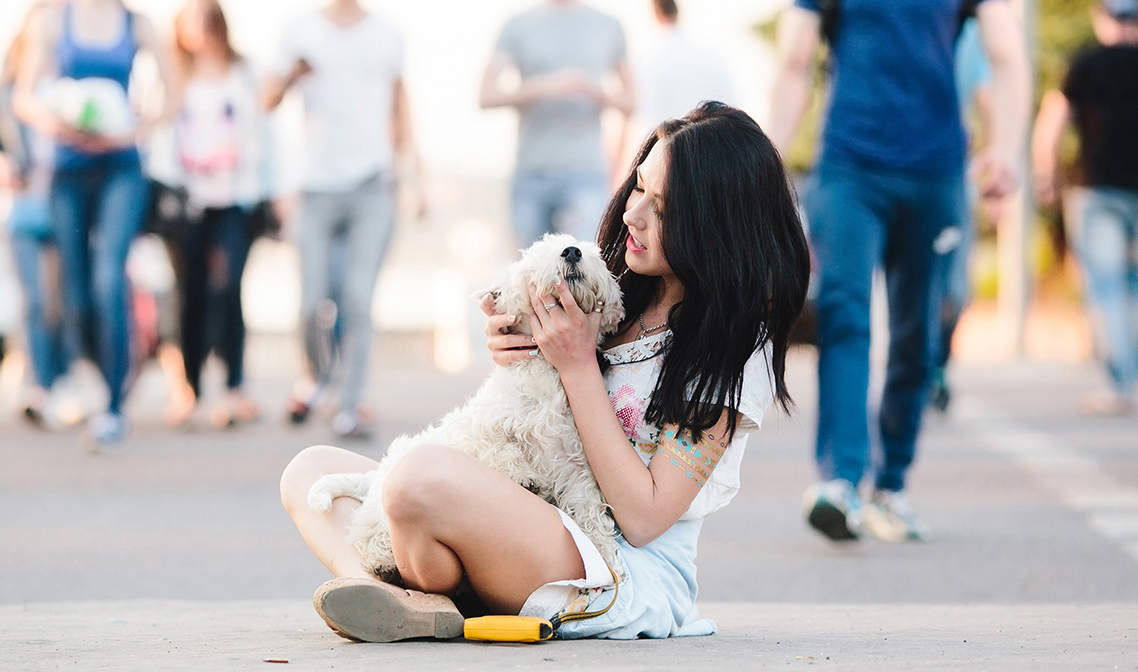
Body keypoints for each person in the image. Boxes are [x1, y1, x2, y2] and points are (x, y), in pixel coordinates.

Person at [279, 102, 810, 641]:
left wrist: (576, 366)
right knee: (310, 470)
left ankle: (419, 595)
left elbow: (644, 519)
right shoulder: (617, 287)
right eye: (638, 187)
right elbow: (536, 409)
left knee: (416, 480)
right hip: (533, 511)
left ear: (717, 226)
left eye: (664, 209)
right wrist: (518, 342)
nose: (633, 215)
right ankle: (406, 600)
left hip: (615, 568)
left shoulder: (734, 350)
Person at [768, 0, 1030, 542]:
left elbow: (1007, 57)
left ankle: (891, 483)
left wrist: (1004, 146)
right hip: (849, 168)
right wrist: (768, 162)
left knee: (920, 333)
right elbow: (794, 64)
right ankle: (840, 480)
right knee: (846, 315)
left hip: (936, 174)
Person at [13, 0, 179, 449]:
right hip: (66, 169)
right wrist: (56, 123)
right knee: (75, 289)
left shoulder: (139, 23)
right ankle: (83, 377)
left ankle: (113, 405)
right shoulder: (50, 20)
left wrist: (135, 130)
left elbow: (173, 94)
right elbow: (23, 96)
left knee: (110, 277)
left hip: (121, 169)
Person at [262, 0, 421, 439]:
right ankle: (318, 378)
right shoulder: (301, 29)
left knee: (357, 299)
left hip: (373, 183)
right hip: (315, 185)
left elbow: (400, 106)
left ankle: (349, 405)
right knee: (312, 303)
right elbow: (266, 100)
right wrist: (290, 75)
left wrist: (412, 177)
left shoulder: (386, 33)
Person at [161, 0, 278, 429]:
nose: (199, 28)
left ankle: (235, 387)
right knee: (189, 292)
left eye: (205, 18)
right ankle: (189, 389)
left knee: (228, 289)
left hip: (237, 197)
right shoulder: (173, 75)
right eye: (190, 20)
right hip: (187, 199)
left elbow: (268, 132)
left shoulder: (245, 72)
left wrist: (277, 190)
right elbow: (158, 132)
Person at [480, 0, 634, 247]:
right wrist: (545, 86)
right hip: (530, 173)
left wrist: (597, 92)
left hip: (586, 173)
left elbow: (631, 101)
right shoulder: (519, 24)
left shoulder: (608, 25)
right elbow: (486, 94)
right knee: (530, 272)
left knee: (584, 266)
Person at [1032, 0, 1138, 416]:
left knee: (1107, 288)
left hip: (1096, 190)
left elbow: (1052, 125)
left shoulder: (1083, 65)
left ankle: (1122, 385)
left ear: (1101, 18)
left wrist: (1046, 176)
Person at [0, 0, 75, 427]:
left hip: (62, 202)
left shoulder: (70, 85)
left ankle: (57, 379)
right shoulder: (7, 89)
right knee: (33, 300)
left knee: (60, 302)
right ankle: (40, 386)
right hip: (17, 207)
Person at [930, 18, 993, 413]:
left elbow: (986, 96)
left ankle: (936, 364)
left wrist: (997, 154)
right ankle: (916, 370)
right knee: (913, 285)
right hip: (899, 176)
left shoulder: (970, 33)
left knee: (955, 290)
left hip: (953, 184)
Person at [627, 0, 735, 180]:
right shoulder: (712, 56)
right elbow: (731, 108)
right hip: (709, 158)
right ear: (678, 9)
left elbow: (637, 114)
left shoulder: (646, 59)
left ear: (655, 12)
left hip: (664, 159)